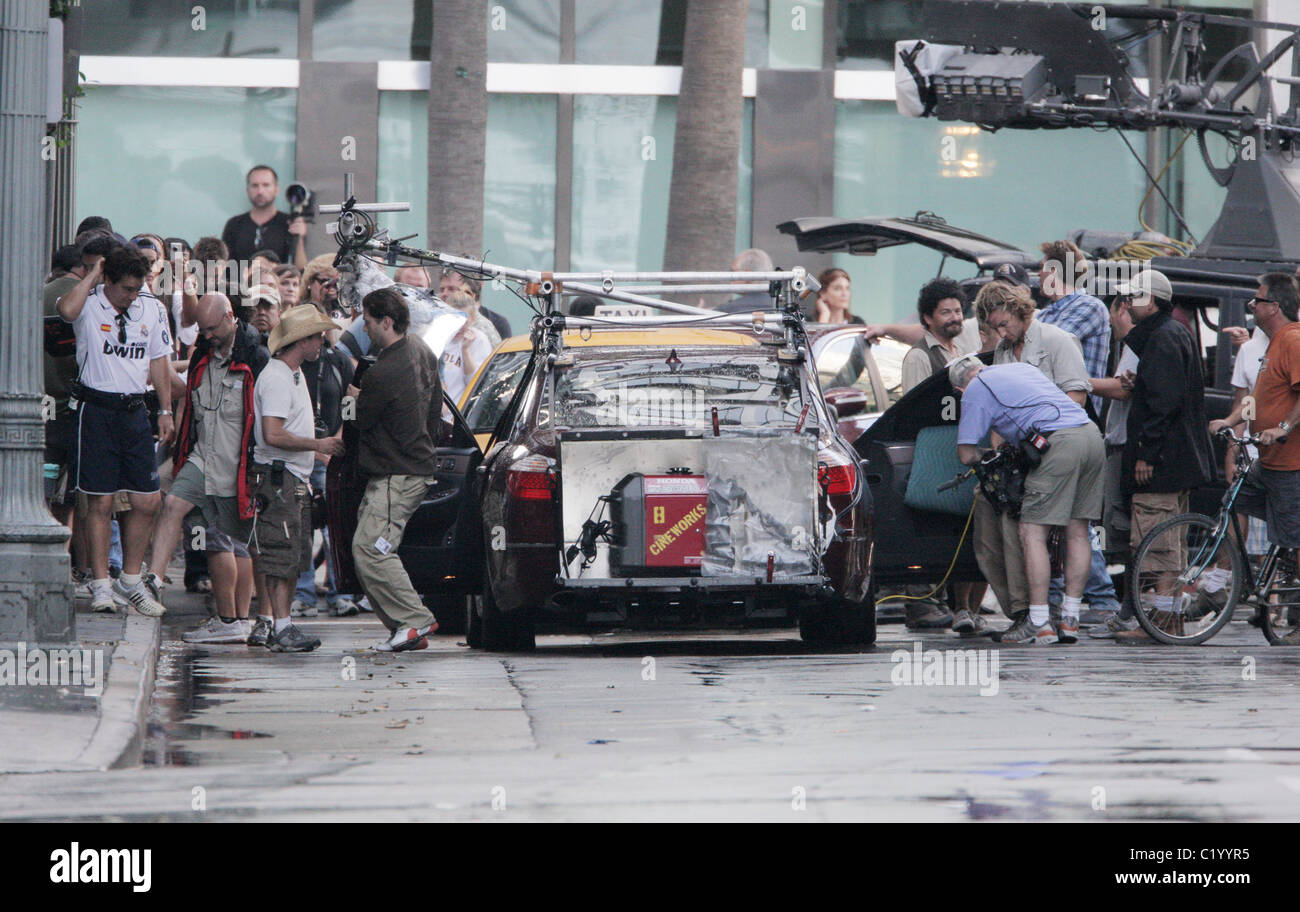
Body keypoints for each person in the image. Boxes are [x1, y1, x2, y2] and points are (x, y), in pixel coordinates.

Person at [952, 356, 1106, 645]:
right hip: (1091, 436)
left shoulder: (975, 389)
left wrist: (985, 454)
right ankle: (1070, 619)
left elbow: (966, 454)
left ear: (960, 390)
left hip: (1057, 444)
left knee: (1032, 532)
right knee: (1077, 531)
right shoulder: (1020, 368)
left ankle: (1037, 622)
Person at [146, 294, 269, 644]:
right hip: (204, 454)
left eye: (213, 328)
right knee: (177, 508)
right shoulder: (203, 351)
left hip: (239, 460)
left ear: (230, 317)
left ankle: (234, 619)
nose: (207, 335)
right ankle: (155, 581)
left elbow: (265, 406)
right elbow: (191, 394)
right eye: (202, 329)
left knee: (227, 542)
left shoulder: (256, 356)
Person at [56, 245, 171, 617]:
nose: (132, 296)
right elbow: (65, 310)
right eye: (125, 288)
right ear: (108, 279)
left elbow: (158, 360)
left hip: (135, 408)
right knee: (100, 501)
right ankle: (101, 582)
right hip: (96, 407)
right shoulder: (89, 302)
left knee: (147, 499)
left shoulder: (151, 308)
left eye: (138, 288)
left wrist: (165, 409)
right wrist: (94, 274)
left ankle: (132, 579)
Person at [1108, 269, 1214, 642]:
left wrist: (1146, 455)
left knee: (1158, 547)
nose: (1124, 304)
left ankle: (1164, 623)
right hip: (1175, 461)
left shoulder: (1163, 339)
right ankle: (1168, 620)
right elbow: (1165, 390)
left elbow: (1163, 404)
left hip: (1164, 464)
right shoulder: (1168, 334)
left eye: (1131, 297)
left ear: (1150, 301)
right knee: (1167, 545)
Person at [350, 287, 443, 652]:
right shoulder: (422, 350)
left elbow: (359, 421)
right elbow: (435, 406)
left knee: (371, 548)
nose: (364, 327)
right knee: (371, 547)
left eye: (369, 321)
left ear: (386, 322)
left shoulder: (383, 371)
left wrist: (350, 399)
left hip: (395, 474)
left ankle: (414, 621)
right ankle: (405, 627)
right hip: (412, 467)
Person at [1209, 273, 1300, 644]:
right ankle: (1231, 582)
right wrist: (1230, 421)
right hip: (1268, 463)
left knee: (1296, 540)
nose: (1251, 305)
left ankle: (1295, 615)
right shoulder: (1269, 344)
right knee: (1233, 503)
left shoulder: (1293, 339)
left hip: (1291, 462)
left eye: (1256, 300)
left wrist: (1283, 427)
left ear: (1274, 307)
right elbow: (1254, 401)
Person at [249, 304, 343, 652]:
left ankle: (282, 625)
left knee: (292, 555)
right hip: (278, 479)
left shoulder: (294, 373)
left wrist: (319, 454)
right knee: (279, 553)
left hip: (293, 476)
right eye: (316, 335)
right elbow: (272, 434)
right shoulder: (275, 377)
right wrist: (319, 444)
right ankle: (280, 626)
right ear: (301, 340)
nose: (321, 341)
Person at [1085, 290, 1143, 638]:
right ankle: (1125, 608)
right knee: (1117, 531)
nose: (1109, 323)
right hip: (1116, 446)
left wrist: (1077, 382)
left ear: (1122, 308)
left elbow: (1124, 389)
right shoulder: (1127, 346)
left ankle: (1127, 608)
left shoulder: (1135, 344)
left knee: (1128, 532)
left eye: (1112, 313)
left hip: (1125, 449)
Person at [291, 330, 357, 618]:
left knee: (334, 526)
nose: (318, 340)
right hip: (300, 452)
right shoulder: (289, 366)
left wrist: (338, 441)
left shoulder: (338, 362)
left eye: (320, 335)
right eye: (311, 335)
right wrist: (316, 449)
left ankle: (338, 591)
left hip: (333, 455)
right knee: (301, 524)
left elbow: (351, 404)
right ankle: (304, 593)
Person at [1036, 239, 1111, 416]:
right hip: (1045, 413)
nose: (1038, 274)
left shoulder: (1090, 307)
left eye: (1042, 268)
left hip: (1077, 415)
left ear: (1053, 271)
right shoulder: (1045, 314)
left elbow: (1045, 349)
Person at [900, 277, 981, 395]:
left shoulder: (960, 350)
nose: (955, 318)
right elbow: (915, 409)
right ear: (928, 318)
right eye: (945, 313)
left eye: (957, 311)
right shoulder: (919, 356)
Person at [221, 165, 308, 269]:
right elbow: (224, 266)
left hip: (277, 284)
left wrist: (299, 239)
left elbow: (300, 270)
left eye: (266, 185)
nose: (260, 191)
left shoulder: (289, 224)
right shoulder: (234, 225)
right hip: (241, 284)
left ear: (276, 189)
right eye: (255, 185)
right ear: (247, 189)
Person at [440, 288, 498, 403]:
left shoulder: (479, 340)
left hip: (457, 412)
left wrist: (465, 350)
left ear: (472, 320)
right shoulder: (438, 336)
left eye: (463, 322)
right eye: (453, 320)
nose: (457, 327)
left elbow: (477, 385)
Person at [439, 268, 511, 339]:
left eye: (451, 289)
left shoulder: (493, 325)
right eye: (442, 290)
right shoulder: (438, 320)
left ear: (469, 293)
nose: (444, 294)